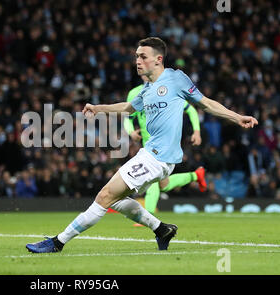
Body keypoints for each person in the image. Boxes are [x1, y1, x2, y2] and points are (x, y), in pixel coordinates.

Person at [26, 37, 258, 253]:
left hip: (157, 157)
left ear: (158, 59)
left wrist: (237, 117)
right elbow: (128, 108)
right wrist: (99, 108)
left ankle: (57, 242)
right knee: (114, 200)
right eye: (136, 56)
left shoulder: (176, 79)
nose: (138, 61)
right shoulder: (146, 90)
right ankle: (161, 229)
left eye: (143, 56)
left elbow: (206, 103)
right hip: (151, 155)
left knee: (105, 195)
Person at [124, 76, 206, 215]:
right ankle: (195, 175)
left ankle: (147, 215)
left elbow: (190, 110)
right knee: (164, 184)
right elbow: (128, 118)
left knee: (152, 178)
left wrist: (196, 131)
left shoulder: (167, 90)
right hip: (148, 144)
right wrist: (131, 132)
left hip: (166, 143)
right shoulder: (134, 93)